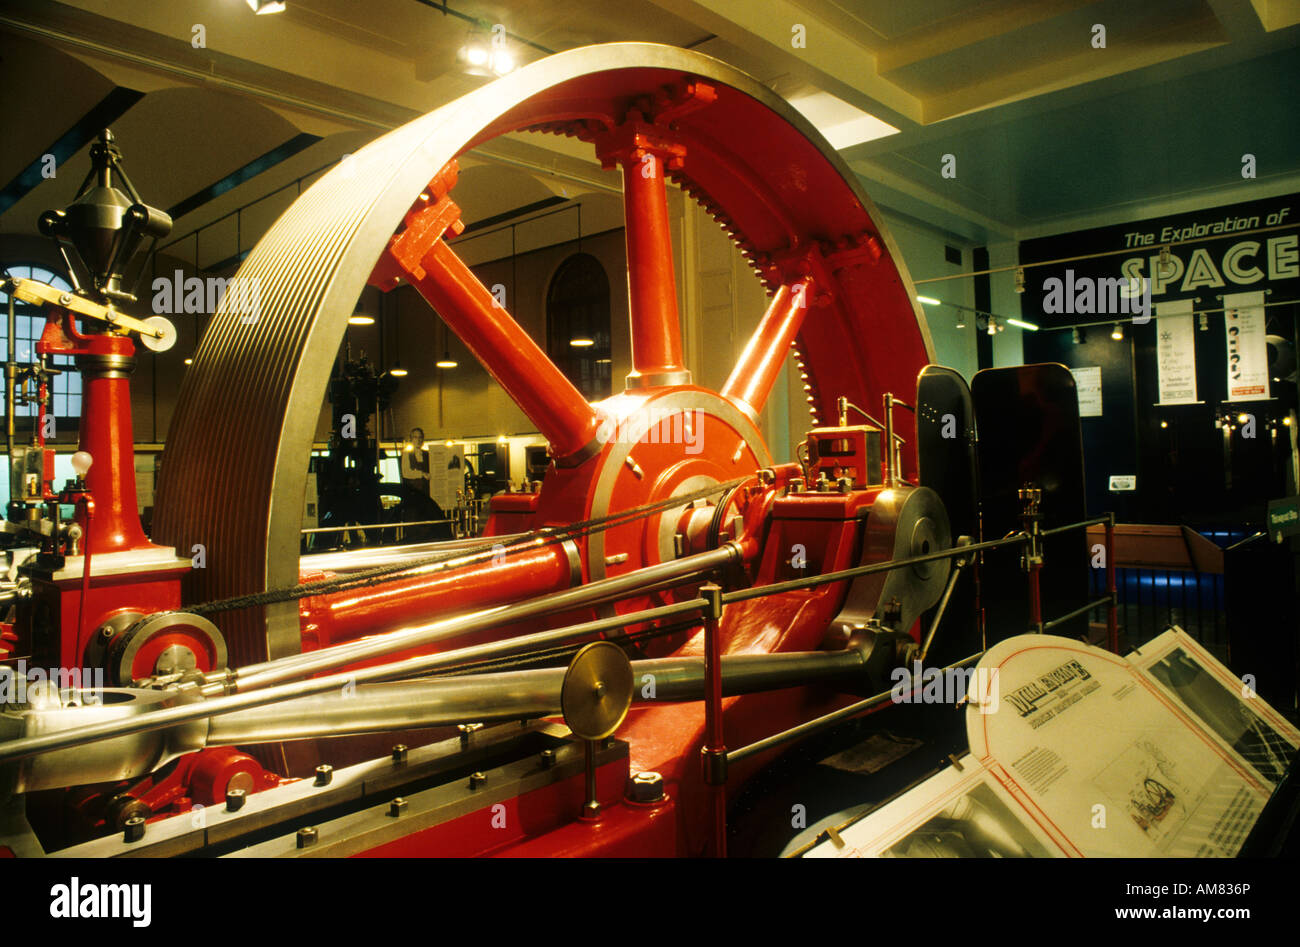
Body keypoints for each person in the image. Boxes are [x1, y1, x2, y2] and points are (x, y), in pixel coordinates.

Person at [401, 427, 430, 495]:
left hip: (426, 492)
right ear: (411, 439)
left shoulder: (428, 454)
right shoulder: (406, 454)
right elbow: (406, 473)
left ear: (423, 440)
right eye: (415, 437)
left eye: (420, 437)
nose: (418, 440)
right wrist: (422, 474)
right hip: (412, 492)